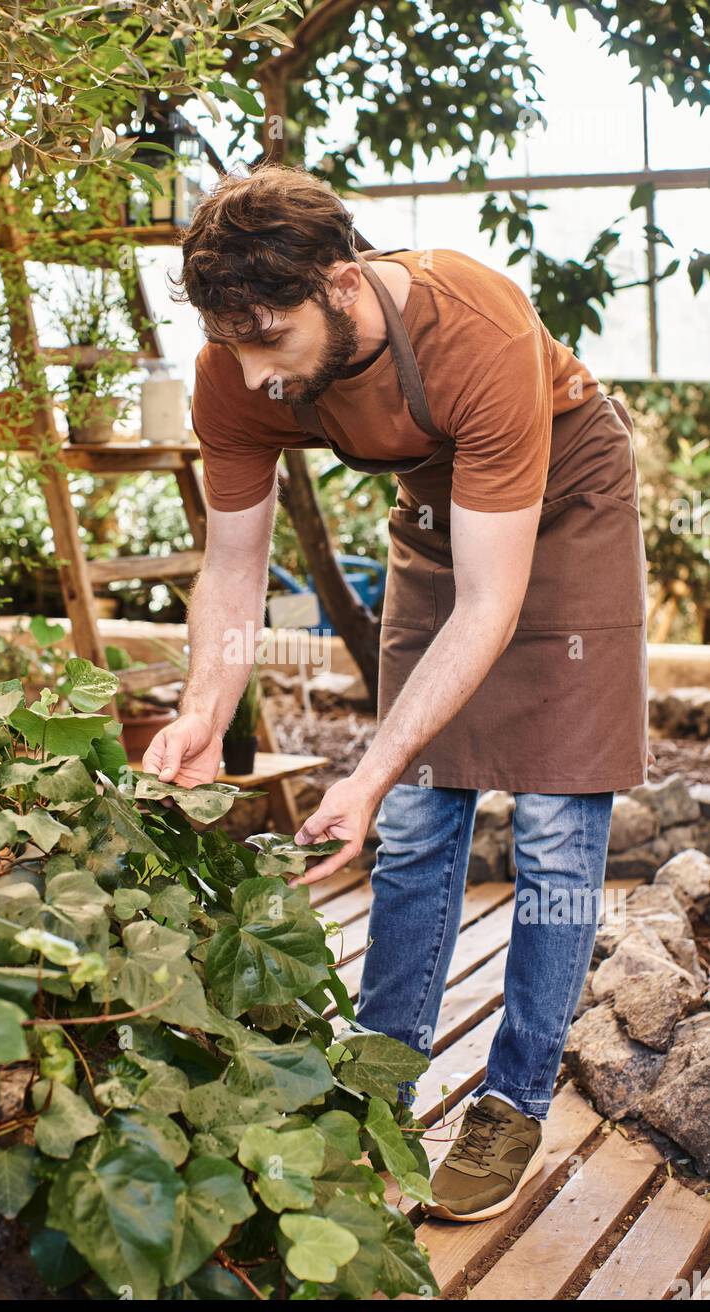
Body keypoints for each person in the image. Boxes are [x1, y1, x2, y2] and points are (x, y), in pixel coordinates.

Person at [142, 162, 650, 1222]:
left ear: (337, 281)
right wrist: (202, 706)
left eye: (267, 338)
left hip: (565, 503)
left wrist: (362, 768)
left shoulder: (472, 324)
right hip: (438, 516)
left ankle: (510, 1100)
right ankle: (377, 1093)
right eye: (230, 342)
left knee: (555, 830)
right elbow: (234, 566)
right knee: (417, 823)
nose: (251, 373)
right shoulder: (235, 367)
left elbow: (491, 601)